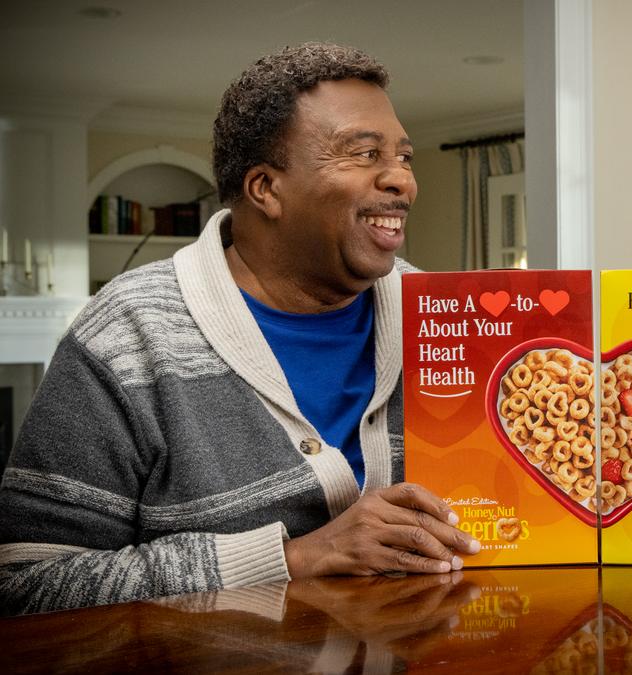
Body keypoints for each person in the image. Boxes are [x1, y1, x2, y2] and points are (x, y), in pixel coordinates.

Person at [0, 43, 479, 615]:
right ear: (266, 189)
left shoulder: (446, 317)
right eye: (365, 153)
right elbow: (26, 582)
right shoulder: (128, 334)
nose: (402, 180)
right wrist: (294, 557)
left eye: (404, 156)